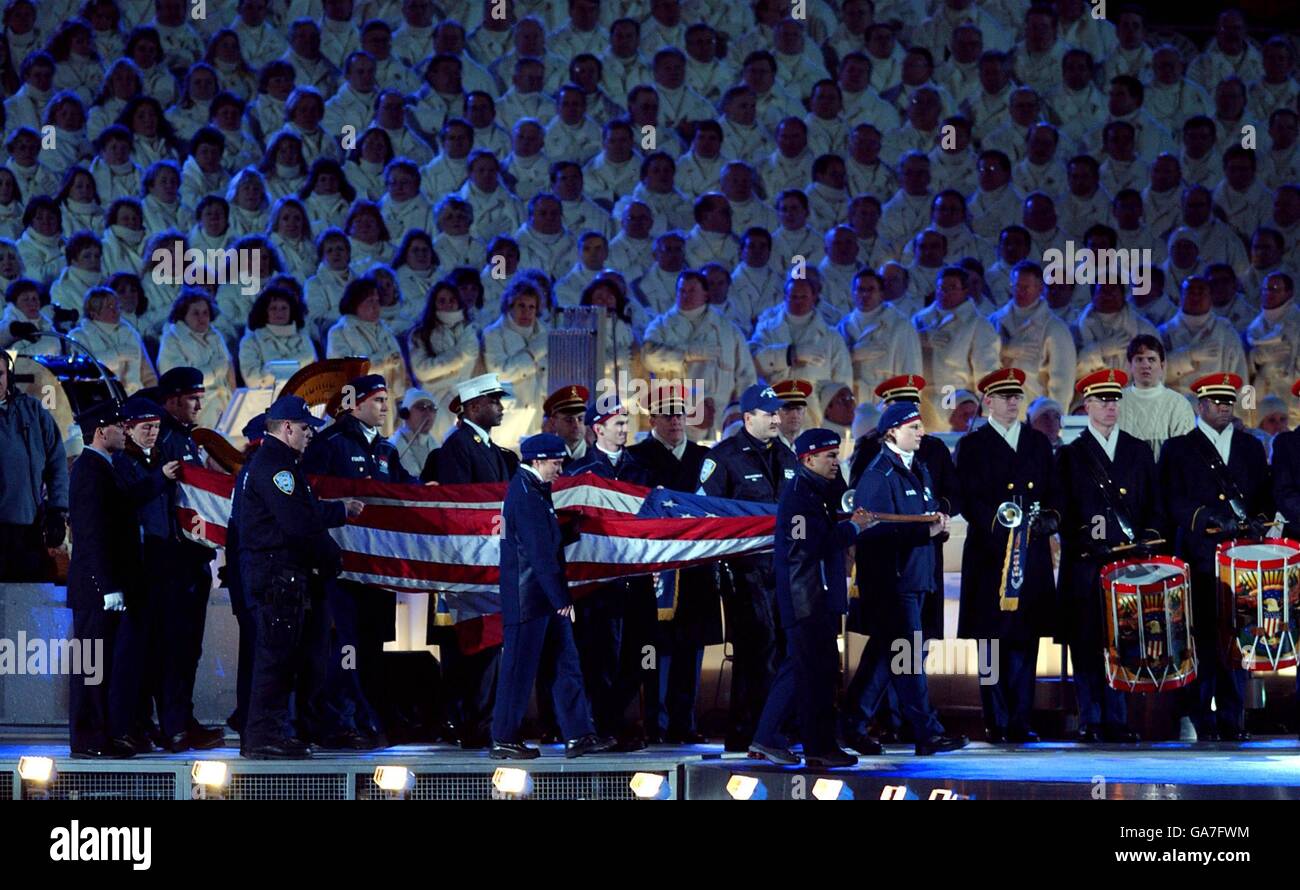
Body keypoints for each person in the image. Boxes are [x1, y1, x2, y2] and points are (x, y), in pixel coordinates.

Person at [235, 395, 364, 758]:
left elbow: (301, 511)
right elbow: (298, 523)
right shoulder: (278, 468)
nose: (310, 435)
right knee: (275, 659)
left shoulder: (280, 464)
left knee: (284, 658)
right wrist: (332, 545)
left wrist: (336, 511)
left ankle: (275, 732)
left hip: (280, 576)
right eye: (306, 428)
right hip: (278, 577)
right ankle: (264, 737)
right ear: (287, 427)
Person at [844, 401, 968, 756]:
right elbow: (872, 532)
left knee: (886, 656)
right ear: (892, 432)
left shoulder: (918, 469)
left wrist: (936, 530)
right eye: (914, 426)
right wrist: (925, 534)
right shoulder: (878, 475)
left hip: (915, 577)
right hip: (893, 584)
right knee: (907, 657)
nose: (922, 432)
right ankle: (927, 731)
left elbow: (921, 519)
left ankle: (851, 723)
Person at [749, 428, 874, 767]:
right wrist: (854, 529)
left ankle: (766, 737)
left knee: (800, 671)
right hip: (807, 601)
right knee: (815, 676)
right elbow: (809, 544)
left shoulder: (814, 491)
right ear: (808, 459)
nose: (837, 461)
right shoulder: (800, 497)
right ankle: (819, 749)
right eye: (830, 456)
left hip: (814, 598)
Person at [302, 374, 415, 747]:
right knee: (346, 646)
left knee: (371, 646)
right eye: (379, 400)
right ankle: (336, 718)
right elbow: (311, 500)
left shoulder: (386, 450)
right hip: (342, 570)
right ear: (354, 403)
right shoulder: (328, 445)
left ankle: (367, 715)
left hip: (377, 570)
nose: (386, 407)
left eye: (386, 400)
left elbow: (404, 490)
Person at [1158, 372, 1272, 742]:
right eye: (1217, 402)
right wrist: (1206, 518)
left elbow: (1264, 497)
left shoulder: (1250, 447)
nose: (1224, 408)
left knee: (1239, 640)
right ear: (1200, 405)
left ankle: (1232, 716)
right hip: (1200, 555)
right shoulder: (1178, 448)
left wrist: (1258, 521)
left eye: (1229, 402)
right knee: (1202, 639)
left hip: (1241, 559)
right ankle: (1199, 718)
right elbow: (1172, 500)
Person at [490, 432, 615, 760]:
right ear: (536, 461)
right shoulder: (527, 494)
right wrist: (562, 600)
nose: (560, 469)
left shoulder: (533, 489)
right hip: (530, 599)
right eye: (555, 463)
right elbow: (539, 554)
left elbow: (544, 541)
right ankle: (503, 737)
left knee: (566, 665)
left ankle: (579, 734)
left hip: (541, 596)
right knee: (518, 670)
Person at [1056, 370, 1163, 743]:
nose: (1110, 407)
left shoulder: (1137, 450)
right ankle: (1090, 717)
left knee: (1124, 638)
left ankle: (1117, 716)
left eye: (1115, 400)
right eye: (1102, 401)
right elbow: (1062, 508)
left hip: (1127, 563)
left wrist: (1146, 539)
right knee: (1085, 642)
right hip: (1086, 563)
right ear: (1086, 405)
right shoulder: (1070, 455)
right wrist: (1084, 538)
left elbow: (1153, 504)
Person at [956, 367, 1061, 743]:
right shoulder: (972, 446)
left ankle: (1020, 717)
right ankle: (994, 718)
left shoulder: (1036, 442)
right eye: (1004, 397)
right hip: (989, 554)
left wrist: (1049, 518)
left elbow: (1052, 491)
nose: (1012, 402)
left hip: (1029, 552)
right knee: (990, 638)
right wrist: (999, 526)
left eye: (1016, 396)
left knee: (1025, 637)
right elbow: (968, 498)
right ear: (988, 401)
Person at [697, 382, 796, 751]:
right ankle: (746, 731)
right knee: (756, 650)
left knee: (784, 648)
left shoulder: (787, 456)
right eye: (769, 413)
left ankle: (773, 729)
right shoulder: (723, 457)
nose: (777, 419)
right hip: (744, 572)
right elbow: (706, 512)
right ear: (748, 417)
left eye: (778, 413)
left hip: (784, 570)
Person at [420, 372, 516, 748]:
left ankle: (480, 720)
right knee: (468, 651)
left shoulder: (492, 450)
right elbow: (461, 506)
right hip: (468, 568)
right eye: (494, 401)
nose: (501, 407)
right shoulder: (459, 446)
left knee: (486, 649)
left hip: (487, 566)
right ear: (474, 406)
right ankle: (465, 722)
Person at [626, 383, 718, 743]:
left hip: (695, 569)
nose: (676, 420)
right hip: (657, 572)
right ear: (653, 418)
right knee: (655, 650)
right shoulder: (637, 457)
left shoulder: (703, 457)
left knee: (690, 649)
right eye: (667, 414)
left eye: (680, 414)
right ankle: (656, 722)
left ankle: (685, 721)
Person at [151, 366, 225, 753]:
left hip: (191, 555)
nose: (200, 403)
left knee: (188, 647)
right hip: (172, 558)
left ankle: (182, 717)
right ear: (173, 398)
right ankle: (172, 724)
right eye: (193, 397)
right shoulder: (163, 436)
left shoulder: (188, 438)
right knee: (173, 645)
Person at [110, 396, 182, 752]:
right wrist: (159, 480)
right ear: (128, 428)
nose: (152, 433)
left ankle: (150, 721)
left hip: (162, 567)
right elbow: (124, 501)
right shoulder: (120, 463)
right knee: (131, 654)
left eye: (156, 427)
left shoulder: (162, 458)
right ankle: (129, 724)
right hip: (137, 568)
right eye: (145, 427)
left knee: (158, 652)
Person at [66, 400, 138, 758]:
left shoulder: (104, 469)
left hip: (103, 587)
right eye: (119, 426)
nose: (125, 431)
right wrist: (105, 585)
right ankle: (87, 738)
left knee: (101, 666)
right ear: (101, 431)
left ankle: (99, 733)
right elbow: (90, 534)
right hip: (96, 591)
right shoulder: (89, 471)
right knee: (89, 667)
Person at [0, 348, 68, 581]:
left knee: (28, 602)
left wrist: (58, 509)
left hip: (29, 529)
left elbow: (56, 461)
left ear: (8, 376)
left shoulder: (32, 410)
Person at [1119, 333, 1197, 457]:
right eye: (1139, 359)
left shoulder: (1179, 404)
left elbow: (1184, 455)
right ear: (1129, 365)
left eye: (1151, 359)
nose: (1146, 365)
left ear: (1162, 365)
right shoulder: (1116, 403)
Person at [389, 388, 438, 479]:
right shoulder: (392, 446)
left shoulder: (437, 447)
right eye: (421, 408)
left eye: (432, 408)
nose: (428, 413)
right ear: (405, 413)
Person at [541, 384, 589, 468]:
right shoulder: (545, 461)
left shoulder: (599, 459)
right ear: (554, 422)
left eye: (580, 419)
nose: (576, 425)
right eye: (569, 420)